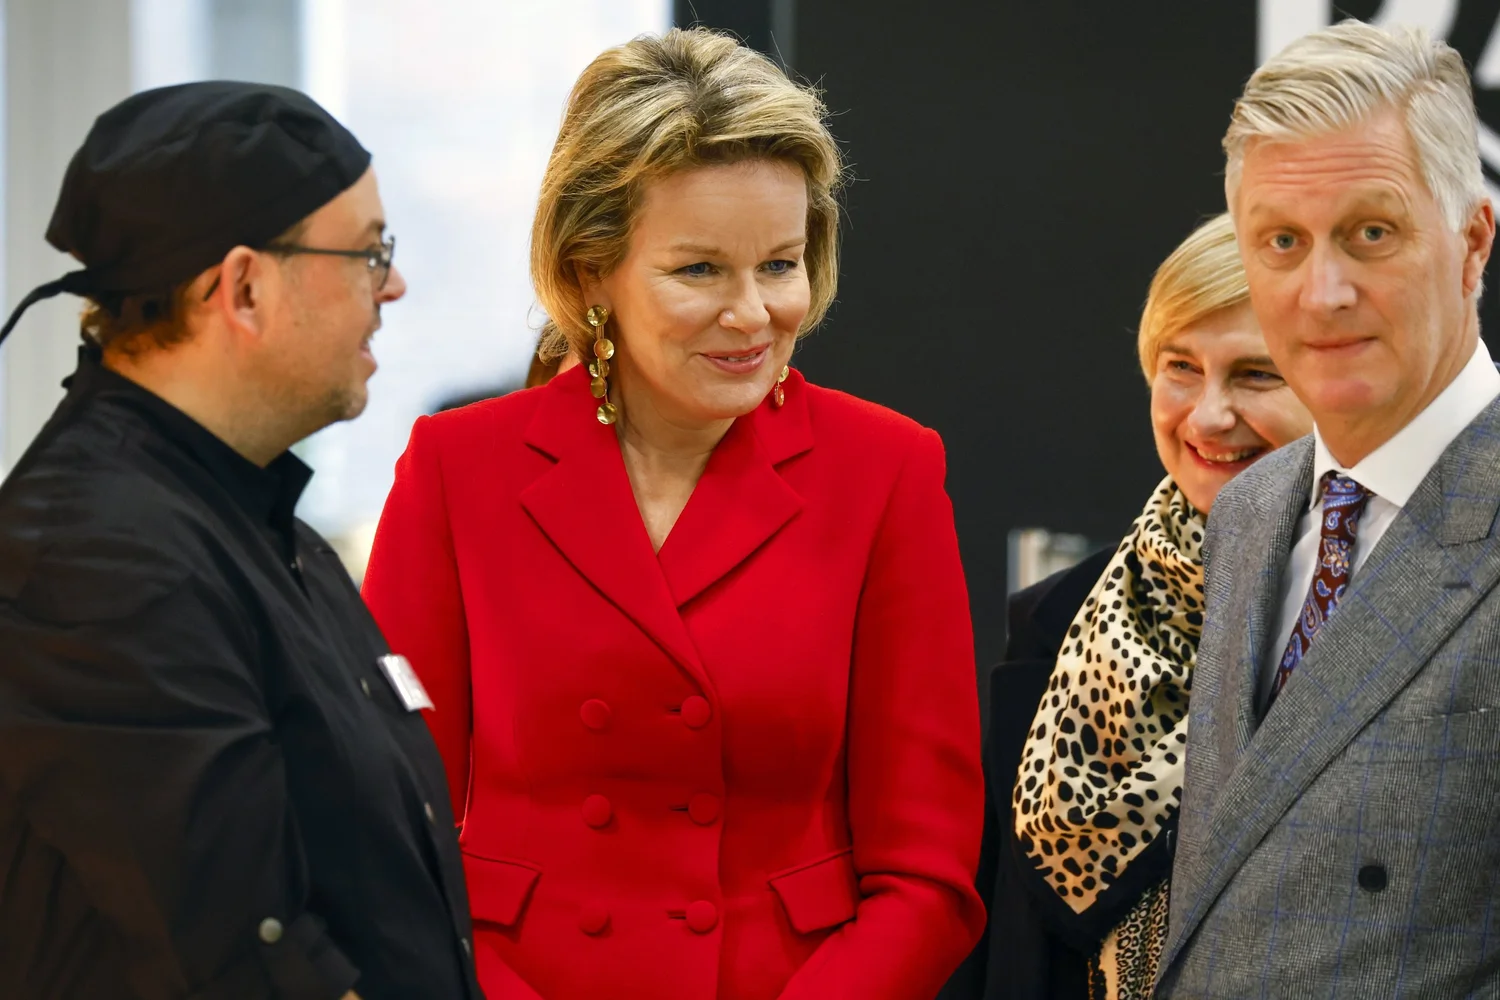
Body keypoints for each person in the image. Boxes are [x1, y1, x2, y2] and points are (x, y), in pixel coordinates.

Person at [362, 27, 985, 1000]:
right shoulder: (458, 468)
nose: (753, 313)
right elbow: (389, 839)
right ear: (589, 271)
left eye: (780, 264)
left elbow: (927, 872)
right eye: (700, 270)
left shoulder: (888, 469)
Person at [0, 83, 480, 999]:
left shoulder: (255, 525)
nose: (395, 284)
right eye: (369, 252)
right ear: (245, 287)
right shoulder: (99, 558)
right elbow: (248, 961)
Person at [1159, 21, 1500, 997]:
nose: (1323, 290)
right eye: (1281, 241)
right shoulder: (1255, 508)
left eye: (1371, 233)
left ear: (1473, 239)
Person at [941, 214, 1312, 1000]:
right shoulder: (1051, 625)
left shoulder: (1381, 616)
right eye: (1181, 367)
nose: (1208, 416)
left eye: (1256, 374)